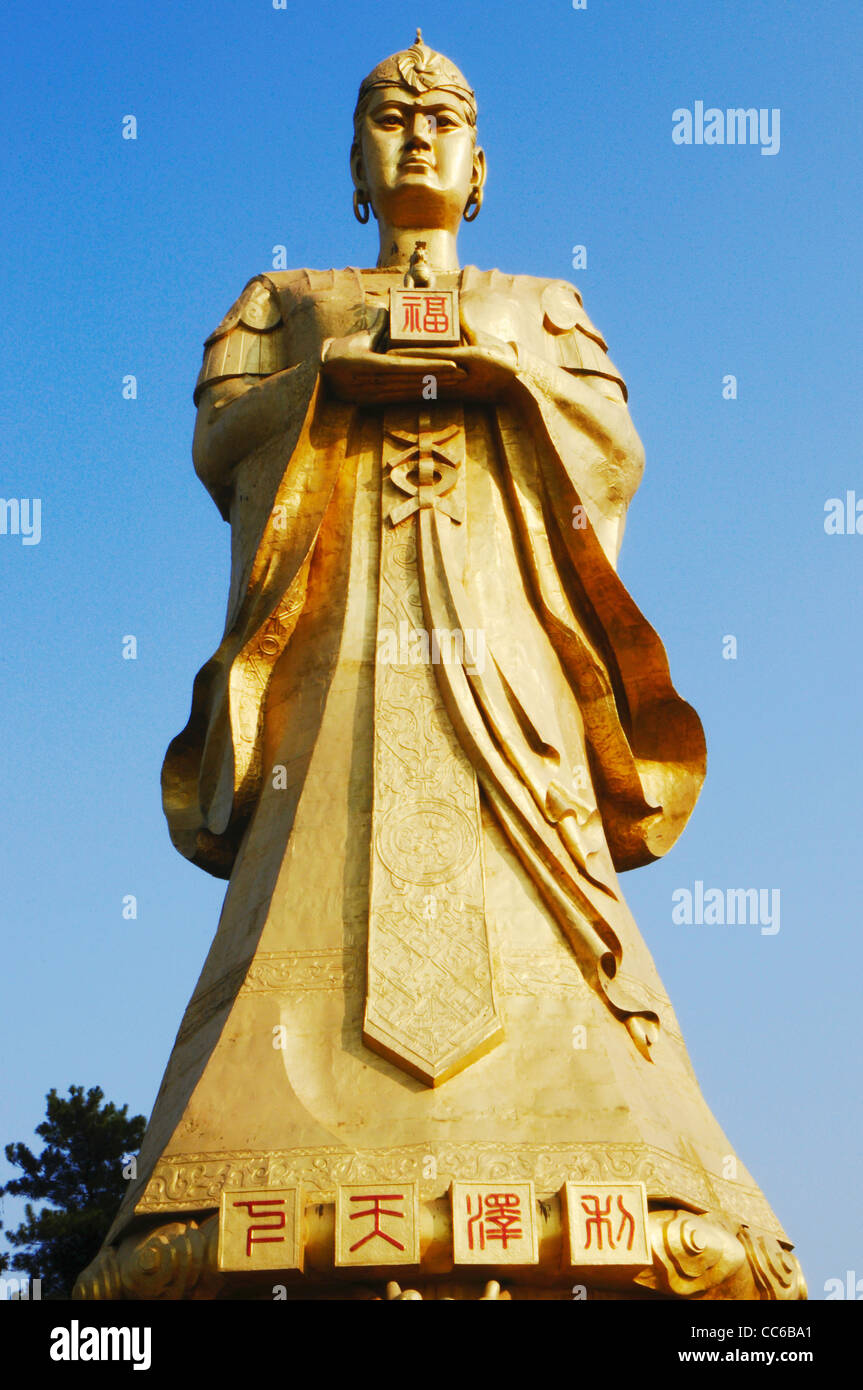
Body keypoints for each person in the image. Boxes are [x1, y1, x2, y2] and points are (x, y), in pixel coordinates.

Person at [103, 34, 795, 1290]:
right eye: (387, 117)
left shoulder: (542, 308)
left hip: (503, 654)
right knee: (309, 860)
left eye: (442, 119)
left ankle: (619, 1147)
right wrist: (332, 377)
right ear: (354, 170)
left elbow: (613, 450)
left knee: (535, 868)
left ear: (479, 170)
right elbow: (219, 437)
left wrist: (506, 383)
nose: (416, 132)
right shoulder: (286, 299)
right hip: (335, 649)